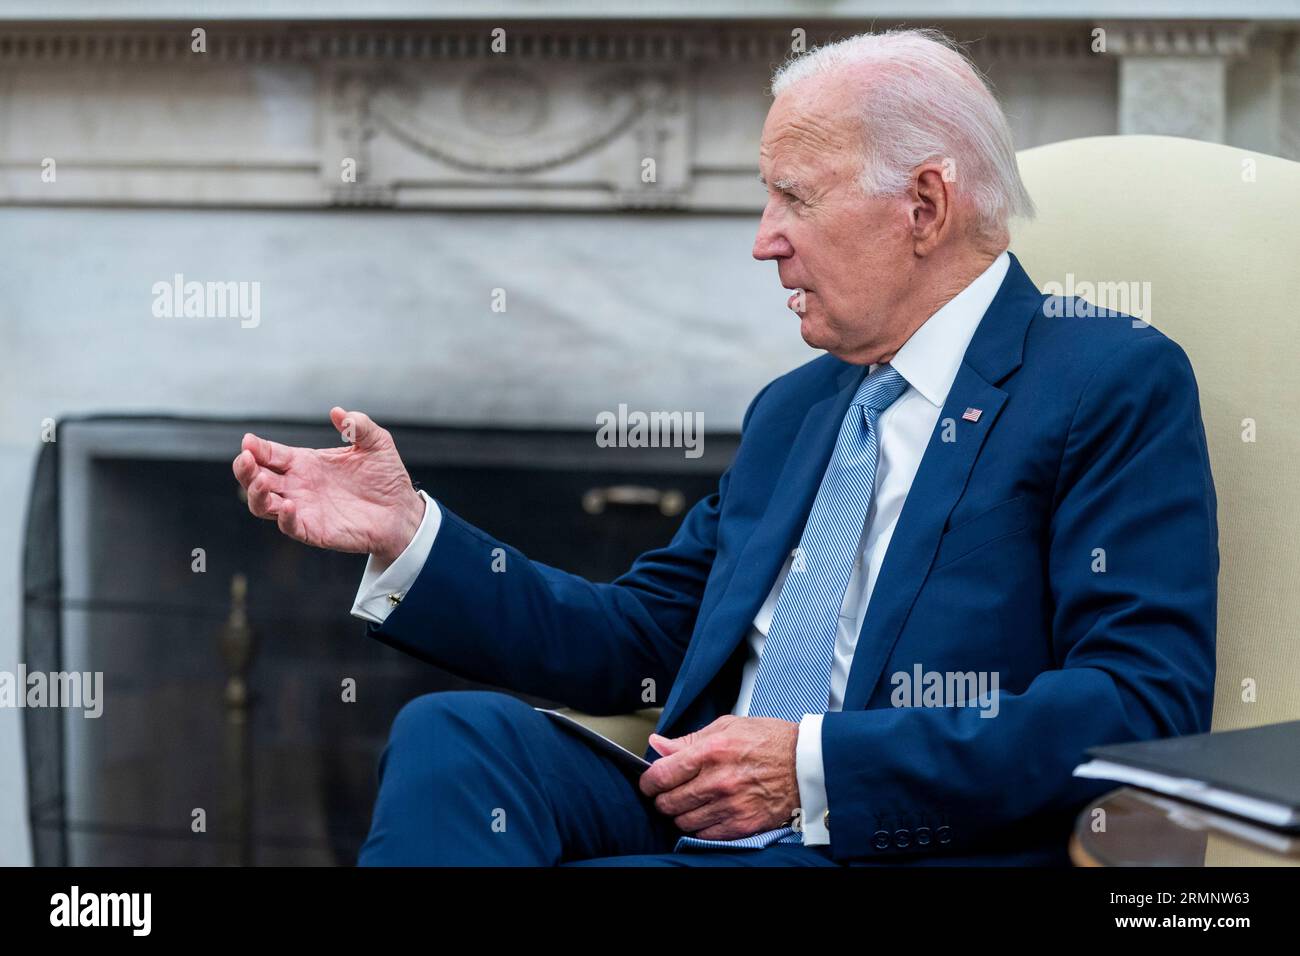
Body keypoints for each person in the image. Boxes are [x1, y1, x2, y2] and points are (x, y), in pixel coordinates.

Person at [231, 28, 1218, 866]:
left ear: (924, 205)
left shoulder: (1105, 377)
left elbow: (1135, 702)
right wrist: (411, 534)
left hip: (889, 839)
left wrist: (809, 766)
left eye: (795, 197)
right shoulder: (797, 409)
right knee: (455, 737)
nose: (763, 239)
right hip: (695, 814)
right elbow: (642, 637)